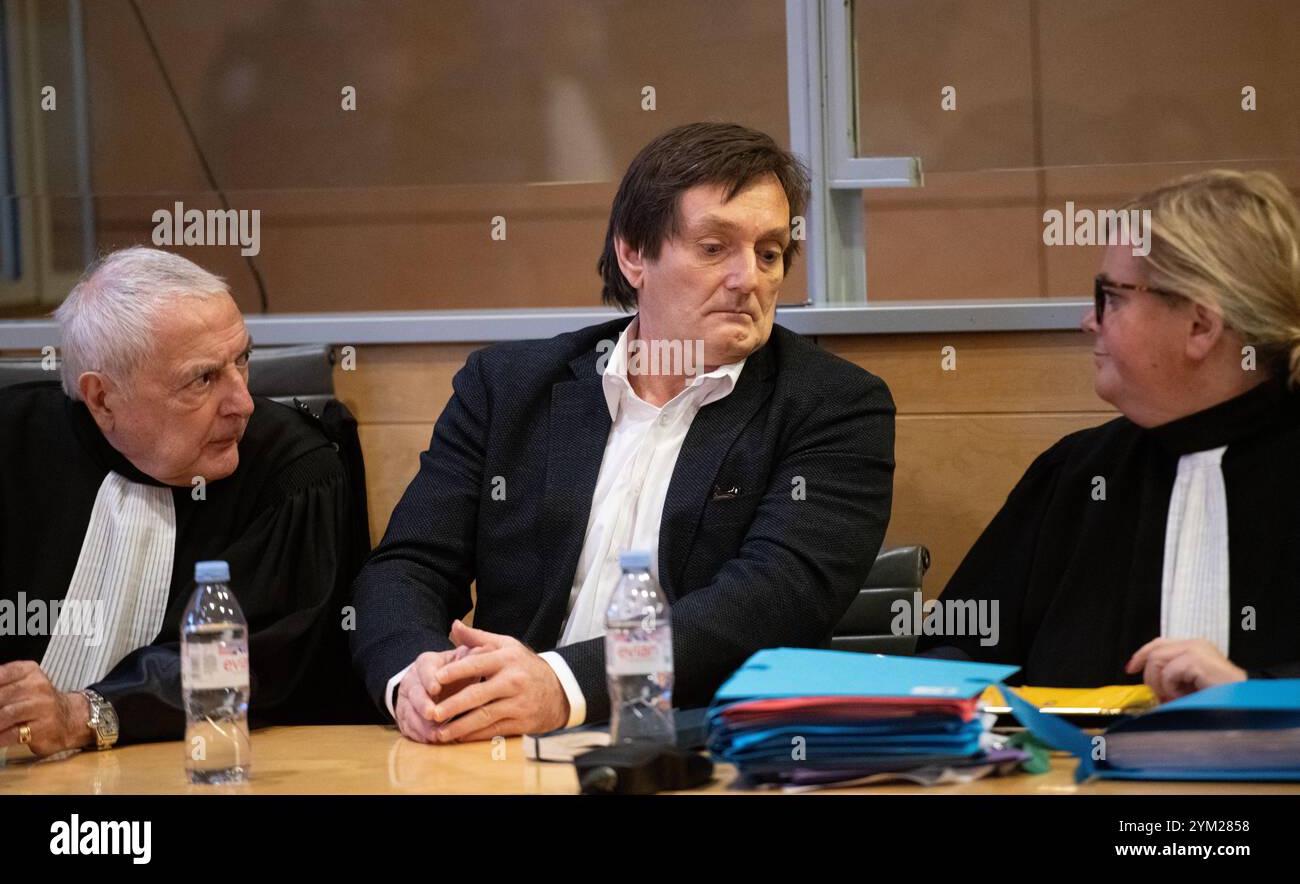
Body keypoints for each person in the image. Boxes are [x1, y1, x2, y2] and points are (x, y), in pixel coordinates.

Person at [351, 122, 896, 742]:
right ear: (634, 254)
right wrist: (417, 679)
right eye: (715, 247)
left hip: (695, 751)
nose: (749, 278)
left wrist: (563, 686)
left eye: (769, 253)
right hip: (495, 749)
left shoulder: (834, 406)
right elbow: (408, 565)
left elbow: (774, 600)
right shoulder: (506, 387)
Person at [926, 169, 1300, 701]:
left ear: (1200, 325)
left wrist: (1251, 693)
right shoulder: (1076, 474)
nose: (1089, 320)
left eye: (1112, 298)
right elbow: (956, 654)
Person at [0, 247, 371, 756]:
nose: (242, 403)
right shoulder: (12, 446)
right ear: (102, 399)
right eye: (202, 379)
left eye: (241, 359)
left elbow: (257, 665)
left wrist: (85, 715)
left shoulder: (293, 470)